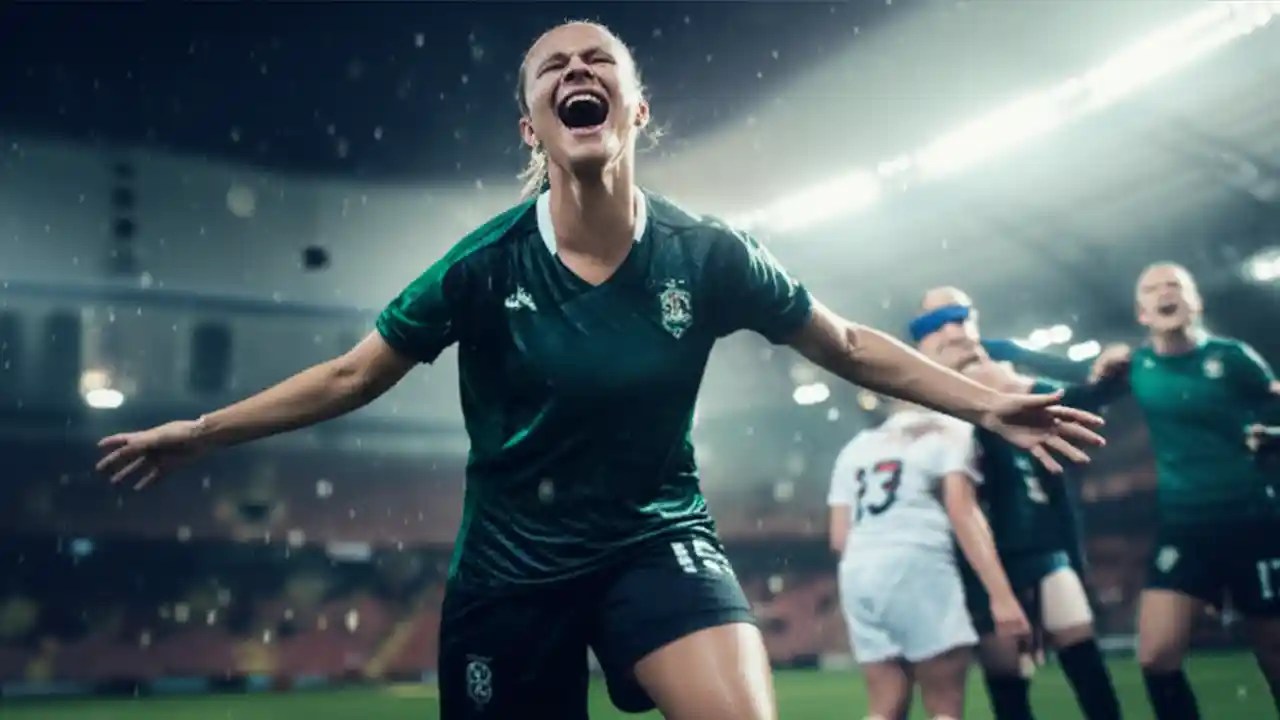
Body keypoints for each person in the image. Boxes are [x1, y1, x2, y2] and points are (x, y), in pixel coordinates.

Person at [94, 21, 1105, 720]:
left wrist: (994, 406)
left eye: (598, 59)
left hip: (652, 542)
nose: (576, 68)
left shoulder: (708, 255)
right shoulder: (481, 266)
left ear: (632, 107)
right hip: (507, 571)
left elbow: (842, 345)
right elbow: (350, 377)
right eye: (551, 65)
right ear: (531, 127)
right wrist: (200, 433)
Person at [909, 287, 1123, 720]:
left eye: (957, 317)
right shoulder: (919, 392)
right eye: (933, 323)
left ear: (973, 320)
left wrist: (1096, 369)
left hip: (1035, 536)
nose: (950, 329)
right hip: (971, 551)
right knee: (1009, 678)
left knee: (1082, 656)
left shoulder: (1006, 376)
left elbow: (1084, 394)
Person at [1087, 262, 1280, 720]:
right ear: (1142, 313)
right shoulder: (1134, 366)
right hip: (1184, 527)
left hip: (1253, 520)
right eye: (1152, 289)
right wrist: (1099, 368)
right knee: (1155, 655)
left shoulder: (1232, 357)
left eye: (1175, 285)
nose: (1164, 292)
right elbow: (1083, 392)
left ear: (1195, 302)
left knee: (1274, 655)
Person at [828, 400, 1031, 720]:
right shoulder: (952, 430)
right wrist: (1002, 597)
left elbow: (839, 536)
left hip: (858, 571)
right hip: (917, 563)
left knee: (884, 704)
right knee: (944, 703)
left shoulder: (856, 447)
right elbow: (962, 511)